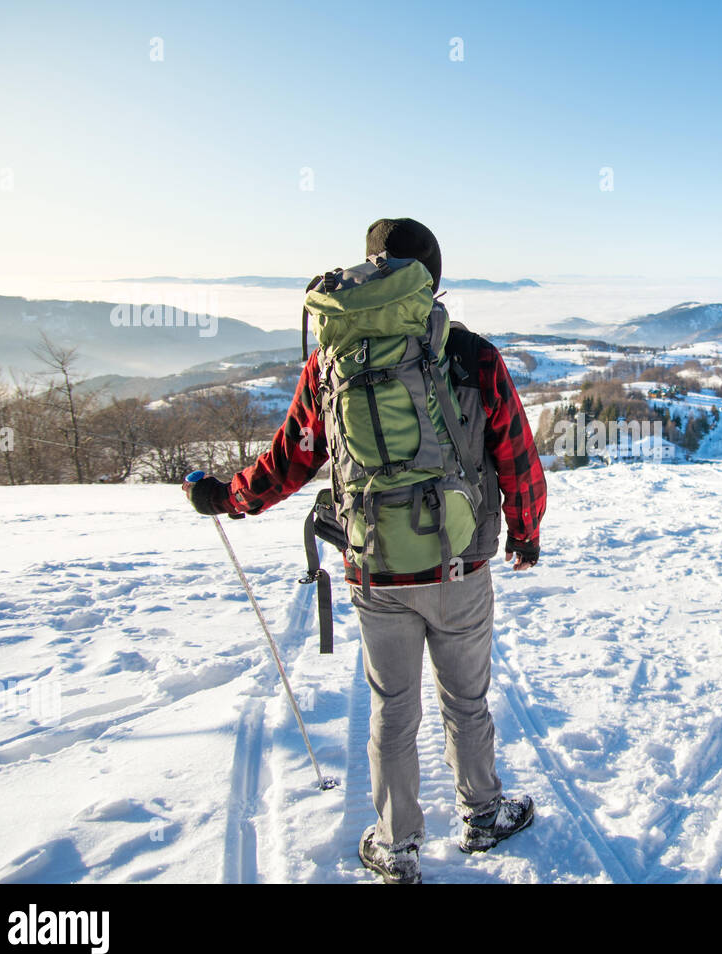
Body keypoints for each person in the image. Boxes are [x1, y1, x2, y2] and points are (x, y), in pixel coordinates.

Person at [183, 218, 547, 884]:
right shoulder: (470, 356)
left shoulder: (330, 360)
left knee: (391, 707)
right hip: (458, 565)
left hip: (375, 566)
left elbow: (287, 460)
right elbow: (517, 455)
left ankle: (398, 842)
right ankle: (483, 814)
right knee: (466, 700)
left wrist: (225, 497)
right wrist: (524, 531)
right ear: (430, 278)